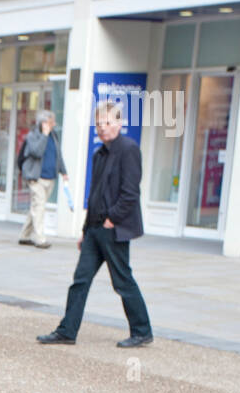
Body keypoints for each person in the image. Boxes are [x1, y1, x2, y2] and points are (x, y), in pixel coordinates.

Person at [37, 101, 153, 348]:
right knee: (80, 280)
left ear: (120, 124)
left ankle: (142, 331)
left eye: (108, 123)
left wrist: (113, 219)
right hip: (94, 230)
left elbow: (130, 193)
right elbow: (96, 194)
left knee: (122, 281)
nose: (103, 128)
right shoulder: (99, 154)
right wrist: (85, 229)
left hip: (114, 229)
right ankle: (67, 331)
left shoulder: (129, 149)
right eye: (99, 123)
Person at [19, 110, 68, 249]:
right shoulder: (33, 136)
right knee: (39, 206)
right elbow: (36, 151)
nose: (54, 124)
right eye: (51, 122)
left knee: (36, 206)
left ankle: (24, 235)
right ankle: (40, 239)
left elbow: (58, 154)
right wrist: (44, 135)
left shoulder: (54, 135)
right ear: (44, 123)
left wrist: (63, 171)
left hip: (50, 177)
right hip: (36, 177)